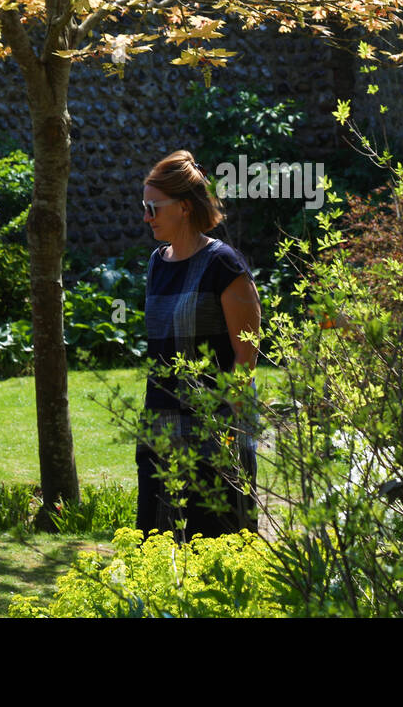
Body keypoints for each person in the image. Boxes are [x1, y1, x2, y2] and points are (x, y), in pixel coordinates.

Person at [136, 149, 261, 540]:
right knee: (156, 545)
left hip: (213, 430)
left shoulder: (224, 264)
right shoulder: (158, 263)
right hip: (159, 427)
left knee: (218, 542)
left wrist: (228, 433)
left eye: (153, 208)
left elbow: (247, 353)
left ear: (185, 207)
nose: (146, 217)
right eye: (144, 207)